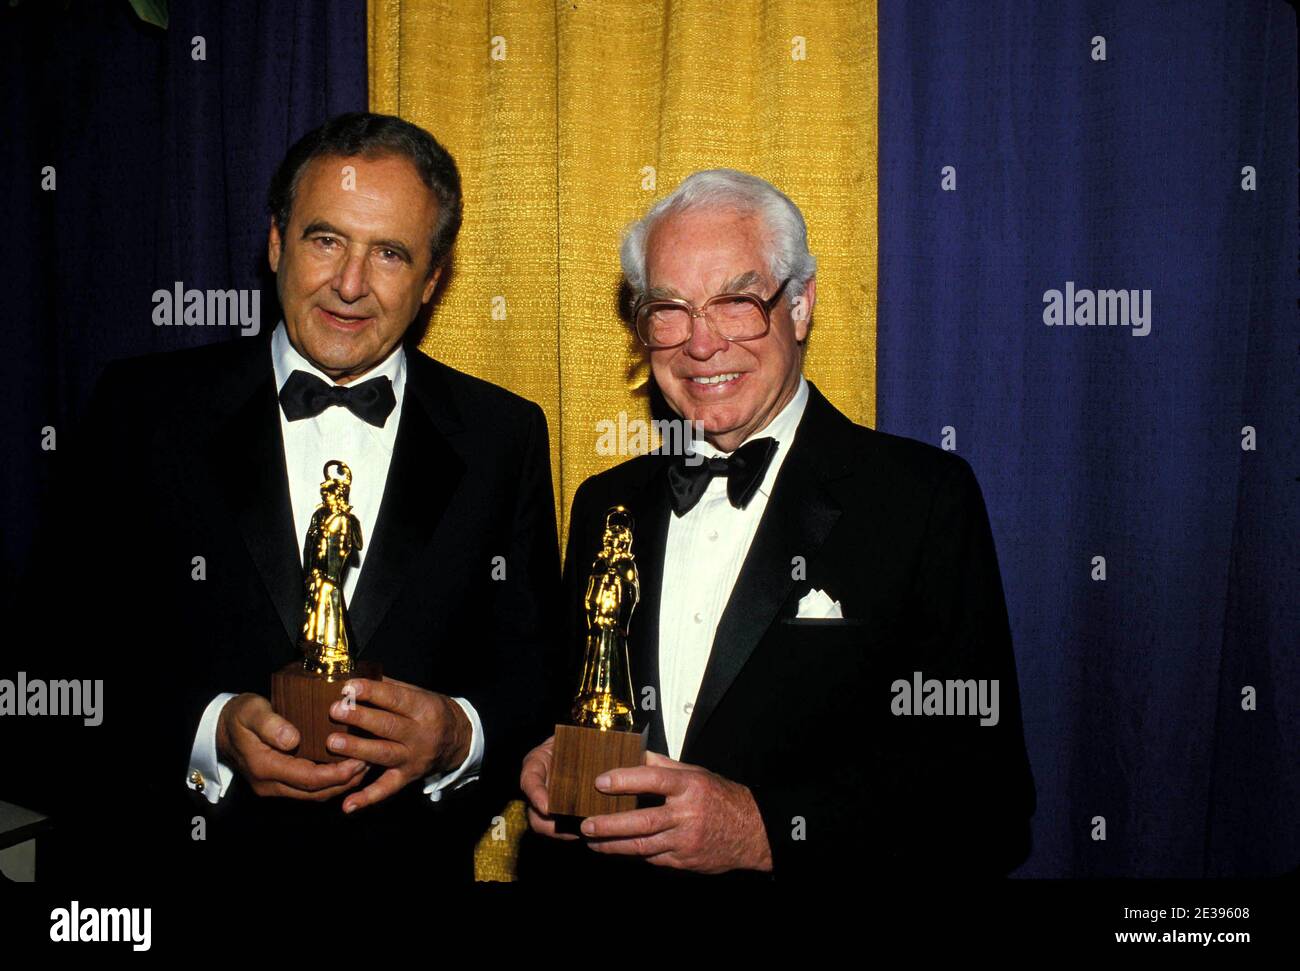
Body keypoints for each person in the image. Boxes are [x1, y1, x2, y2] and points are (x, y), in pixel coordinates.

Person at [25, 112, 559, 881]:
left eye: (390, 253)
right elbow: (54, 657)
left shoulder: (502, 436)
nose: (350, 284)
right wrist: (208, 729)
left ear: (432, 279)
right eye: (326, 239)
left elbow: (536, 674)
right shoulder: (143, 411)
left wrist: (456, 733)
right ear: (276, 244)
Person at [520, 169, 1035, 883]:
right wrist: (554, 764)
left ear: (799, 306)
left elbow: (988, 802)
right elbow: (577, 707)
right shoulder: (606, 504)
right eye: (668, 308)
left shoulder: (920, 500)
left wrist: (766, 831)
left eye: (735, 302)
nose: (700, 344)